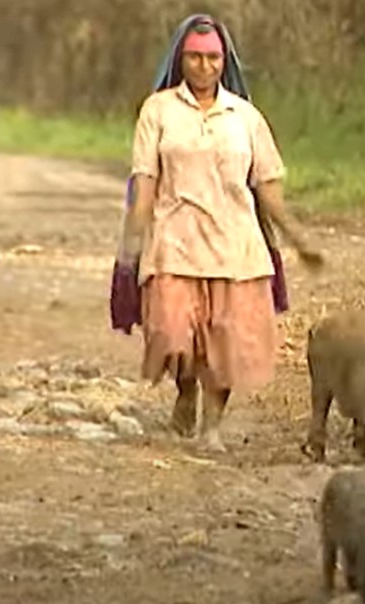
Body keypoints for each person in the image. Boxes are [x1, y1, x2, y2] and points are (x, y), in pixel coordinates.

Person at [112, 14, 324, 453]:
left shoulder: (245, 117)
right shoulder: (158, 110)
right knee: (172, 334)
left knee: (226, 346)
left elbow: (268, 190)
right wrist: (130, 247)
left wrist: (300, 241)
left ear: (224, 62)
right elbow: (145, 184)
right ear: (179, 58)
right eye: (194, 57)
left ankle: (212, 427)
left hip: (236, 248)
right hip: (174, 241)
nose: (204, 67)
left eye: (212, 58)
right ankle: (185, 389)